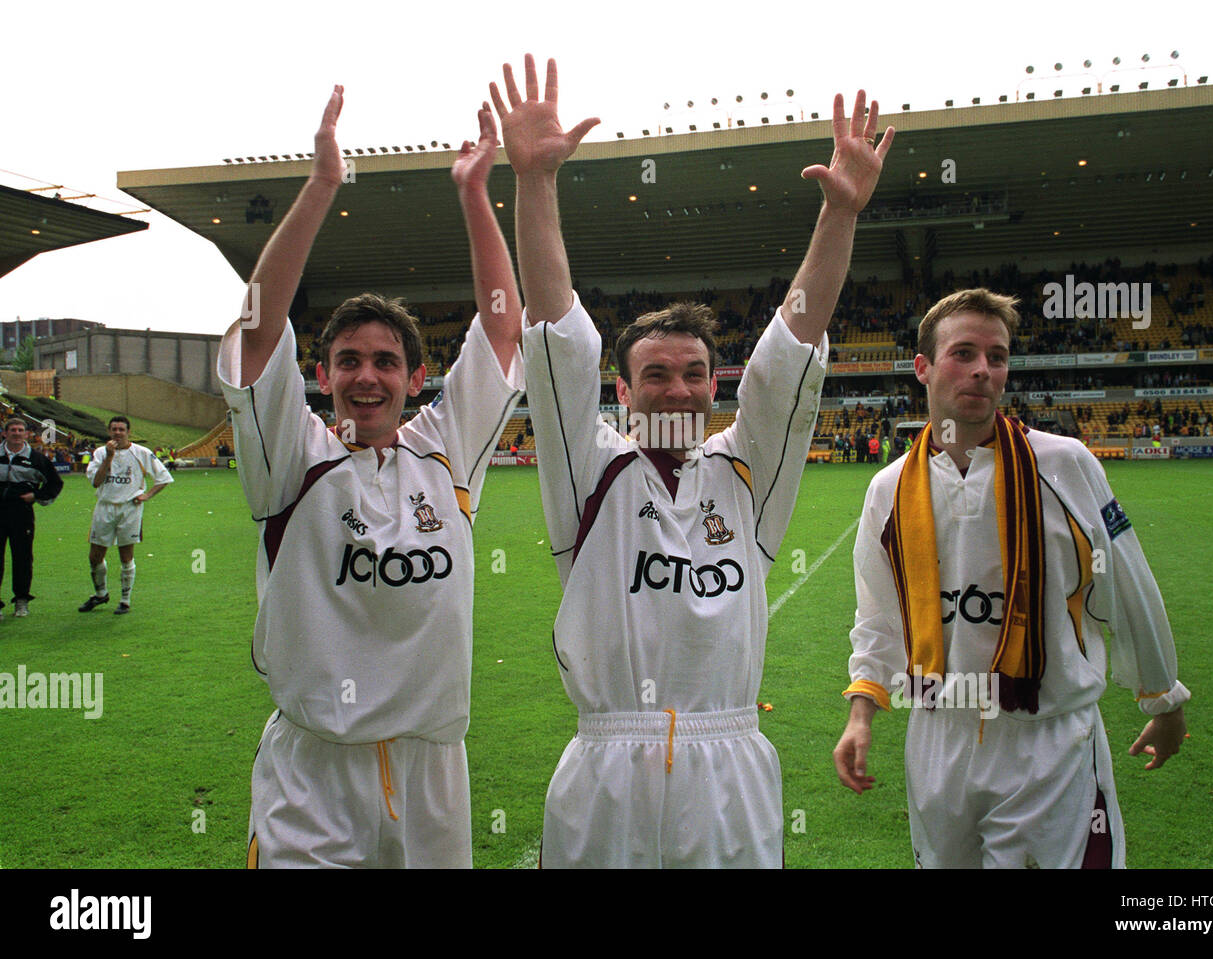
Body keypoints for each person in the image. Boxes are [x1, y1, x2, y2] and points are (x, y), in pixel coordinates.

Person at [494, 55, 892, 867]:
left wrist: (840, 218)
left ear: (717, 385)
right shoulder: (587, 470)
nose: (677, 391)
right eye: (656, 374)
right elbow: (555, 345)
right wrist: (536, 184)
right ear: (624, 389)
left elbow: (790, 357)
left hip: (729, 763)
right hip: (609, 760)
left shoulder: (749, 475)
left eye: (694, 374)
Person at [217, 88, 523, 868]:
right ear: (320, 376)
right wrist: (321, 187)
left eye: (385, 360)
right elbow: (255, 331)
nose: (366, 375)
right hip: (316, 774)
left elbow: (502, 326)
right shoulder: (292, 458)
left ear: (415, 378)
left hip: (434, 772)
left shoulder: (446, 450)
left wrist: (474, 194)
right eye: (347, 359)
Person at [833, 288, 1189, 869]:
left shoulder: (1065, 464)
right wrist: (861, 713)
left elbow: (1128, 585)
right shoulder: (888, 488)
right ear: (922, 367)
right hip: (939, 737)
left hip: (1045, 737)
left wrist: (1164, 696)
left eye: (996, 357)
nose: (982, 370)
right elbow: (879, 616)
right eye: (963, 353)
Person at [78, 416, 172, 615]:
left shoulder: (142, 453)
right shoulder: (100, 453)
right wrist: (109, 458)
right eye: (114, 429)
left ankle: (125, 600)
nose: (117, 433)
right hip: (104, 507)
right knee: (95, 556)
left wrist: (146, 495)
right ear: (109, 431)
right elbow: (96, 482)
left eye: (121, 429)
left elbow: (163, 478)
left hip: (130, 508)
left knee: (126, 556)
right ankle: (101, 594)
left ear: (128, 432)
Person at [0, 417, 64, 618]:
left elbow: (55, 483)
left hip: (21, 514)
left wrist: (36, 496)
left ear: (27, 434)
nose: (16, 433)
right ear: (5, 433)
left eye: (20, 430)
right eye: (13, 430)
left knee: (22, 557)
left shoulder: (36, 459)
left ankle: (21, 600)